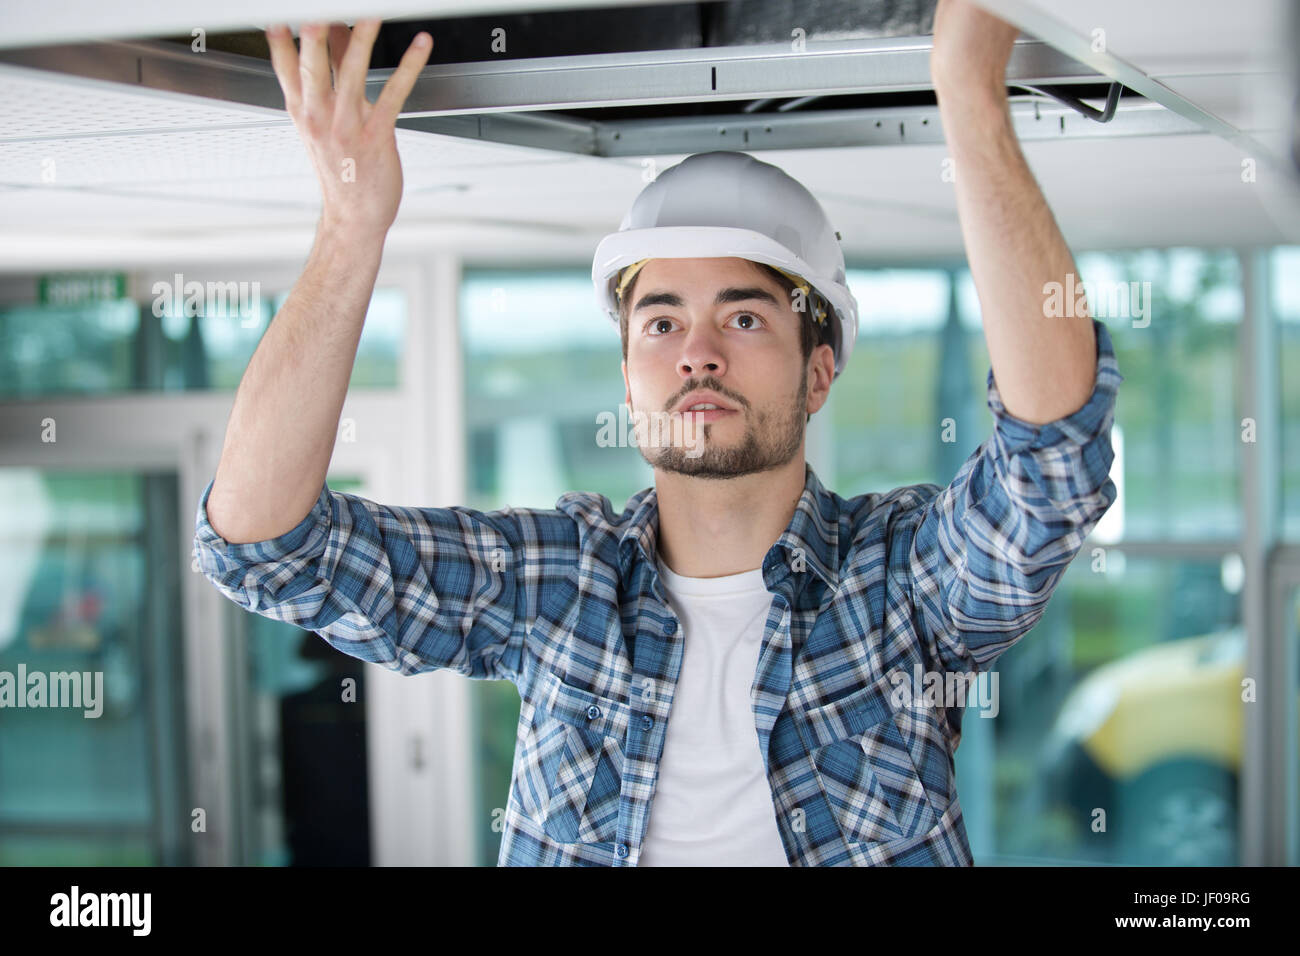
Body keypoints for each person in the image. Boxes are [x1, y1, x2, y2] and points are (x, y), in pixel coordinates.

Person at [194, 0, 1123, 866]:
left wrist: (967, 91)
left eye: (746, 318)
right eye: (663, 321)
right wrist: (352, 226)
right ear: (629, 371)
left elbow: (1051, 468)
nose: (698, 355)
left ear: (820, 369)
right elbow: (264, 546)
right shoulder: (558, 583)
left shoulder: (899, 582)